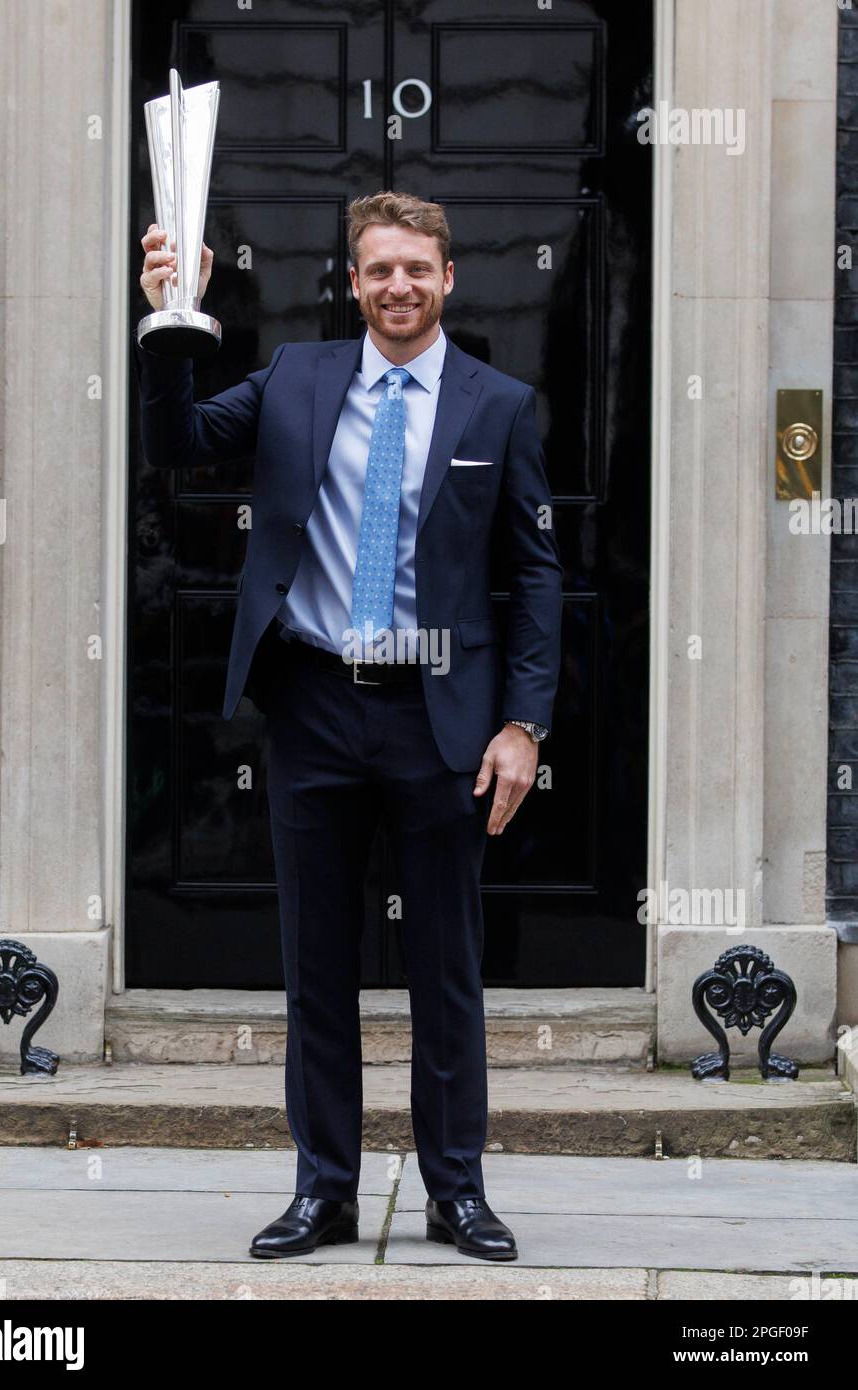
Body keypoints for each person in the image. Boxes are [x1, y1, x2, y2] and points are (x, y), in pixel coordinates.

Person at [134, 191, 564, 1261]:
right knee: (315, 966)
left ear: (448, 277)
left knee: (447, 972)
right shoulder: (295, 378)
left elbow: (535, 573)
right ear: (354, 279)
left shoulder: (499, 405)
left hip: (439, 719)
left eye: (416, 268)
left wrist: (523, 722)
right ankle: (322, 1190)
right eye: (378, 270)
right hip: (317, 706)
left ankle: (454, 1192)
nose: (398, 287)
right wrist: (172, 318)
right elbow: (177, 441)